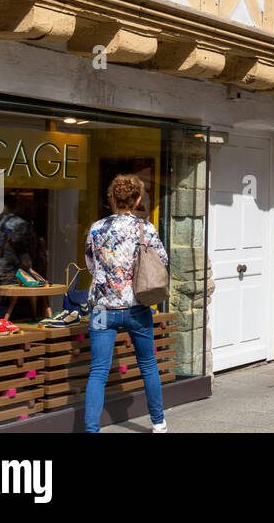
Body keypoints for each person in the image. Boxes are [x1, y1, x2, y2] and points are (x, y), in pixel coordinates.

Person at [83, 175, 170, 433]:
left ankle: (91, 430)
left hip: (101, 309)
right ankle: (158, 423)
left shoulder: (96, 228)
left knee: (98, 371)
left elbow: (90, 264)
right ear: (138, 200)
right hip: (136, 307)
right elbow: (161, 262)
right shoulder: (146, 229)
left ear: (112, 198)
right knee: (148, 365)